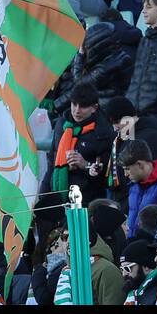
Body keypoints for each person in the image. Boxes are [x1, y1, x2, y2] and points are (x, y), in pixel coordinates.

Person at [41, 81, 116, 216]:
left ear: (94, 107)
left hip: (86, 200)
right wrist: (44, 192)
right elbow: (52, 159)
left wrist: (85, 165)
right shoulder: (62, 124)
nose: (76, 110)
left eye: (83, 106)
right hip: (57, 196)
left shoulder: (104, 133)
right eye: (74, 104)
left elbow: (106, 176)